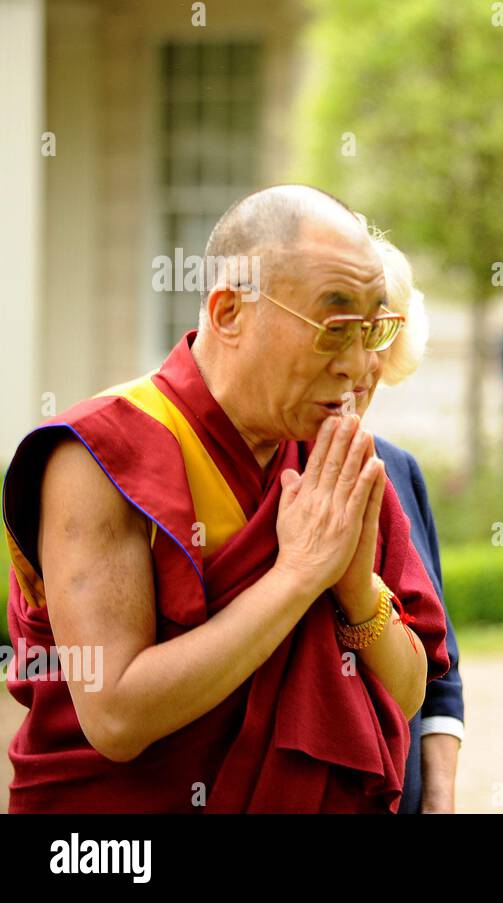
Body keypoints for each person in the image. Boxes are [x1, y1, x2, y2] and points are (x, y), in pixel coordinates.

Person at [2, 184, 448, 812]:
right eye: (335, 327)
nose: (358, 364)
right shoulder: (101, 453)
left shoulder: (329, 459)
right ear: (230, 312)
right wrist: (297, 576)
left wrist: (354, 590)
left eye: (373, 329)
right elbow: (117, 714)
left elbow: (406, 692)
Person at [354, 222, 465, 814]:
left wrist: (440, 798)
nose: (361, 364)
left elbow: (442, 664)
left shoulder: (400, 469)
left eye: (378, 335)